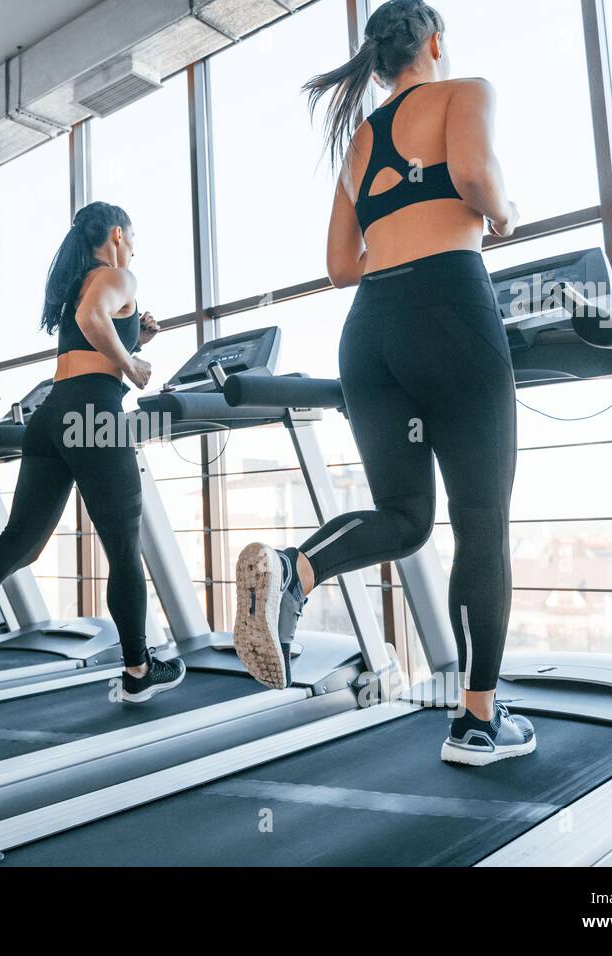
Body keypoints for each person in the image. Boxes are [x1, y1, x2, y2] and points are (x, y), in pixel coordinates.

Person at [232, 0, 535, 766]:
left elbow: (341, 266)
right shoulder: (467, 90)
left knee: (404, 516)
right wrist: (503, 215)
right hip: (451, 306)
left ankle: (295, 572)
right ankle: (476, 720)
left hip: (370, 332)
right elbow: (473, 174)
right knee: (481, 521)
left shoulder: (359, 139)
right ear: (434, 41)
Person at [0, 201, 186, 716]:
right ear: (117, 234)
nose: (136, 247)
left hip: (52, 417)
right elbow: (90, 319)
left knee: (20, 543)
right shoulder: (119, 274)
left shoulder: (80, 279)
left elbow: (87, 332)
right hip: (94, 416)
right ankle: (139, 670)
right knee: (123, 545)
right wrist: (134, 364)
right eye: (134, 236)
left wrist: (132, 336)